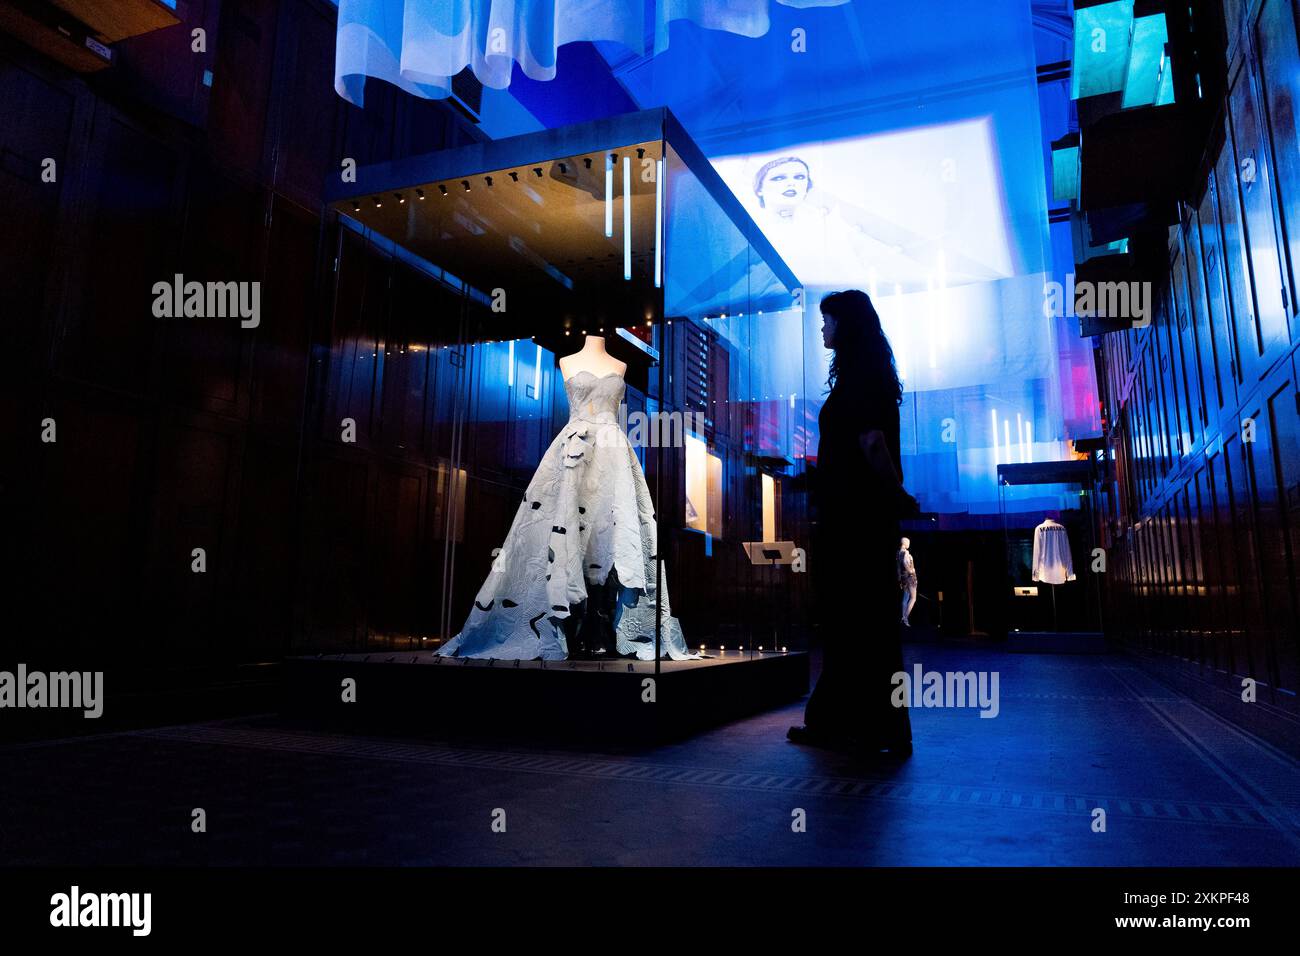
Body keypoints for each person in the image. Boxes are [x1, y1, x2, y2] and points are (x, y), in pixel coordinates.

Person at [788, 290, 916, 758]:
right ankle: (865, 725)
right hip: (858, 514)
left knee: (855, 619)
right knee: (862, 620)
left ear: (848, 326)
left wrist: (893, 490)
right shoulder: (868, 375)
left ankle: (859, 726)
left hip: (855, 520)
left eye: (829, 321)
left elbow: (871, 443)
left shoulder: (861, 379)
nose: (823, 329)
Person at [898, 537, 917, 626]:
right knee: (913, 598)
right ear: (905, 543)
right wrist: (911, 571)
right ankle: (905, 617)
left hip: (903, 578)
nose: (909, 544)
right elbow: (906, 564)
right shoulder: (905, 553)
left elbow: (899, 567)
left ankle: (904, 617)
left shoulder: (898, 553)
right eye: (908, 542)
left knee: (905, 598)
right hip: (910, 577)